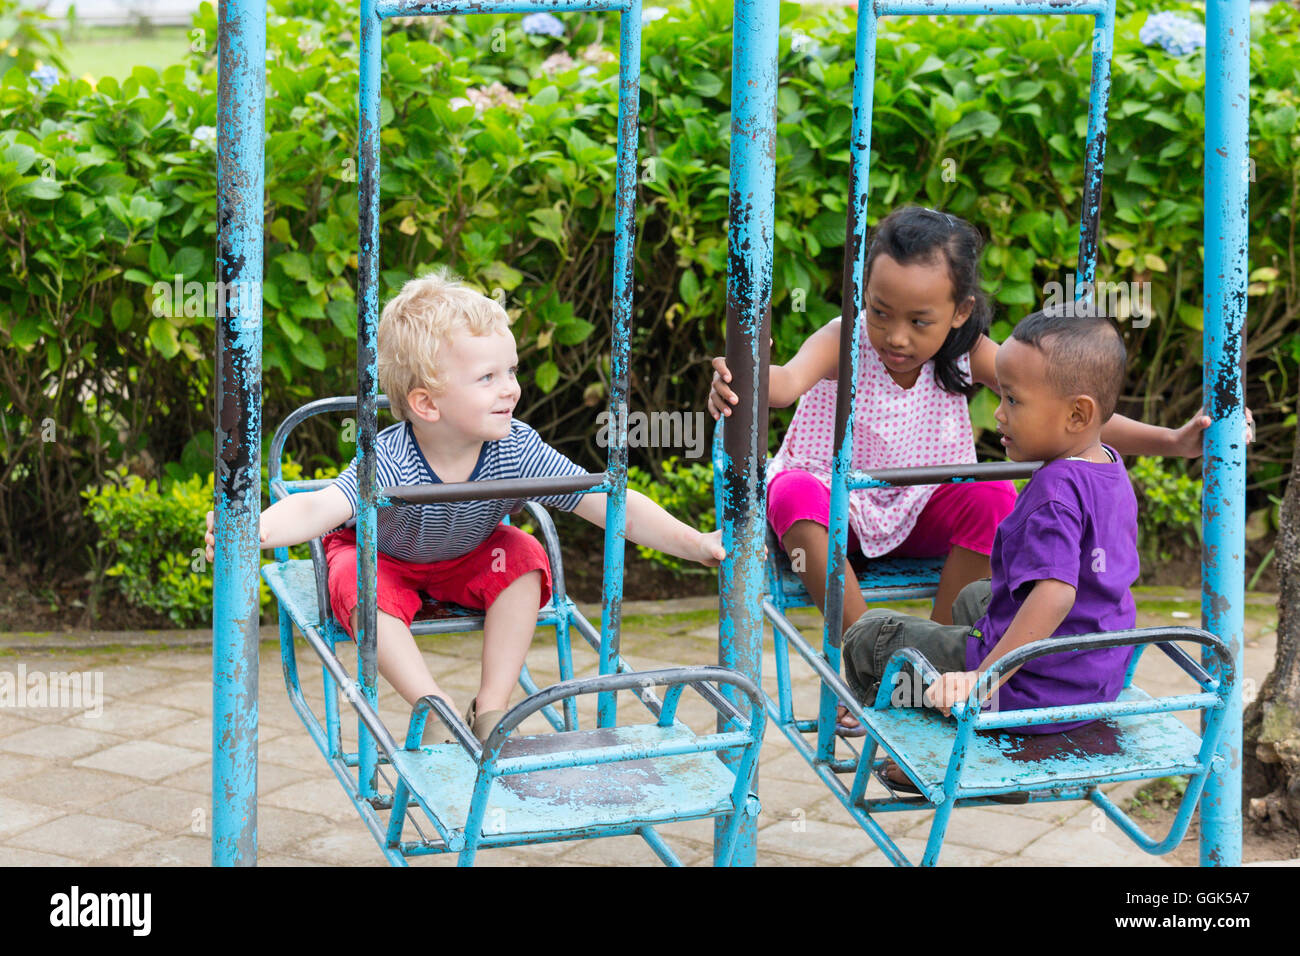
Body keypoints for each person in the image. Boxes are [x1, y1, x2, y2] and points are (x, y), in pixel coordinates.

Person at [707, 205, 1231, 735]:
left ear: (960, 312)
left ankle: (930, 667)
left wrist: (1171, 441)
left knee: (992, 493)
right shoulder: (844, 338)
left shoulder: (967, 353)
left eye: (919, 321)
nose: (895, 336)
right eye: (880, 312)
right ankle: (866, 661)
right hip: (832, 496)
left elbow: (1077, 410)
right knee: (791, 492)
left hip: (915, 505)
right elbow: (785, 384)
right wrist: (746, 370)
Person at [205, 271, 724, 742]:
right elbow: (318, 507)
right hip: (383, 557)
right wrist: (249, 529)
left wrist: (696, 543)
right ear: (427, 404)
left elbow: (611, 504)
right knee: (358, 579)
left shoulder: (516, 448)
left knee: (521, 556)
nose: (511, 391)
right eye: (487, 379)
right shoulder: (389, 457)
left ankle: (492, 709)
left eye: (512, 371)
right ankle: (431, 703)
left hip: (467, 556)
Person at [838, 309, 1144, 796]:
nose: (999, 412)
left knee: (869, 639)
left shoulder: (1056, 486)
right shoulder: (1107, 464)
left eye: (1014, 400)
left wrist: (983, 680)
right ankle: (968, 702)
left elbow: (1056, 595)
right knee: (977, 596)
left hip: (1033, 688)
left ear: (1077, 415)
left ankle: (938, 756)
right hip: (1092, 675)